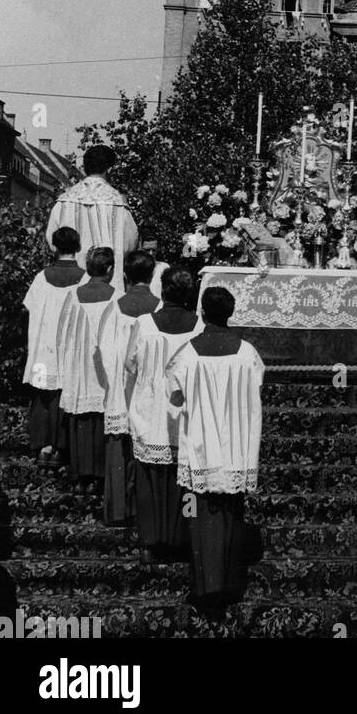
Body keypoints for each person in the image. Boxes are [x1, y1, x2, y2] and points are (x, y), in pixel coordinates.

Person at [167, 287, 263, 609]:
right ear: (229, 313)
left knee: (201, 517)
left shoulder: (187, 353)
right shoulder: (248, 353)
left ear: (203, 314)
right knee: (231, 517)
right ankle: (229, 586)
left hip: (201, 449)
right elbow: (257, 387)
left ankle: (204, 587)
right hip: (235, 449)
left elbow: (174, 396)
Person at [125, 268, 202, 564]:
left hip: (150, 409)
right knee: (181, 482)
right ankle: (179, 539)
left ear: (163, 291)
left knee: (149, 480)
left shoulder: (145, 324)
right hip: (182, 412)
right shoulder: (198, 327)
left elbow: (130, 363)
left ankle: (149, 543)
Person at [95, 250, 161, 526]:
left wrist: (110, 388)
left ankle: (120, 510)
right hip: (151, 395)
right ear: (152, 275)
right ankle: (147, 513)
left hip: (121, 391)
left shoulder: (113, 308)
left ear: (125, 275)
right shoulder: (161, 310)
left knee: (120, 451)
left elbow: (102, 351)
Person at [23, 226, 85, 468]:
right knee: (64, 393)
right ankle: (61, 448)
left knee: (43, 394)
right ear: (78, 247)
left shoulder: (41, 277)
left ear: (55, 247)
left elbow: (28, 305)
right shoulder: (85, 278)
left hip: (44, 345)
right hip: (70, 347)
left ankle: (43, 447)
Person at [56, 246, 115, 494]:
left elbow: (62, 334)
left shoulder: (73, 295)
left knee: (81, 417)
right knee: (101, 415)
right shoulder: (117, 296)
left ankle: (81, 475)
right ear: (110, 270)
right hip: (105, 367)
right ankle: (101, 476)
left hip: (80, 366)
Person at [46, 144, 139, 293]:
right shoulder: (118, 203)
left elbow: (53, 241)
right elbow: (129, 244)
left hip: (70, 284)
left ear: (84, 168)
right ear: (110, 169)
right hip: (108, 285)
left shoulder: (65, 201)